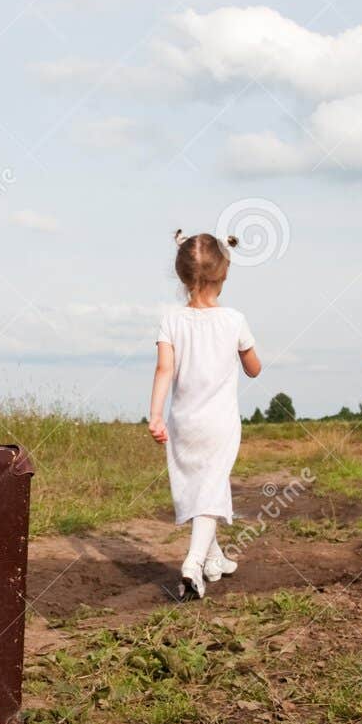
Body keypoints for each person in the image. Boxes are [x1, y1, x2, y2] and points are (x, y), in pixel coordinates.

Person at [147, 230, 262, 600]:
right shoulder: (234, 319)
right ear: (223, 274)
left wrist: (155, 415)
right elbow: (254, 369)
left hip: (183, 423)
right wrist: (244, 351)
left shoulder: (171, 320)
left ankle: (215, 560)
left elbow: (164, 370)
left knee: (204, 486)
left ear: (182, 275)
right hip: (219, 424)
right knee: (211, 489)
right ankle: (193, 565)